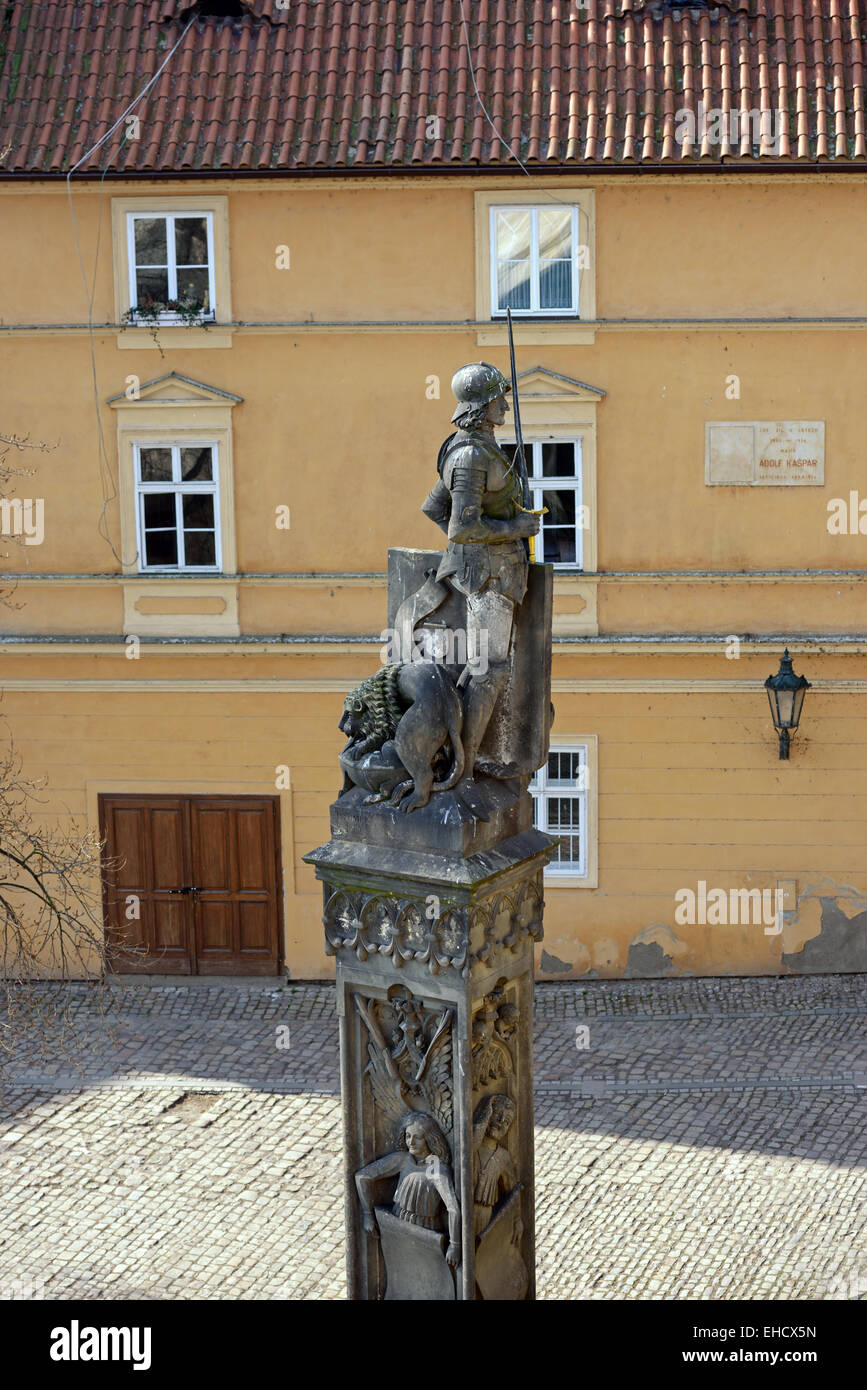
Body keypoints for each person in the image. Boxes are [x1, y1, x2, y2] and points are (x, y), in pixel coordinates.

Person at [421, 363, 541, 816]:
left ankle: (467, 758)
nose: (505, 405)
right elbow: (458, 525)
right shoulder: (469, 456)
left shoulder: (477, 447)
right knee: (489, 670)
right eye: (499, 398)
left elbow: (432, 506)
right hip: (487, 577)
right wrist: (515, 527)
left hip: (493, 570)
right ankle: (463, 766)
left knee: (486, 667)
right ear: (481, 405)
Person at [355, 1111, 461, 1268]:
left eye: (417, 1137)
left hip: (425, 1232)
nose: (411, 1142)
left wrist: (455, 1245)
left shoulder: (437, 1170)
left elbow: (453, 1209)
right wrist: (367, 1214)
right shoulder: (403, 1159)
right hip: (397, 1225)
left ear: (429, 1139)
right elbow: (363, 1177)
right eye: (408, 1135)